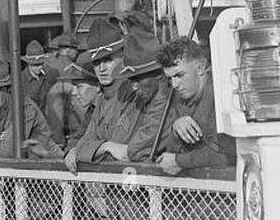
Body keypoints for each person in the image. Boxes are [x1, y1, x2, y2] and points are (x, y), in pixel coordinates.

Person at [143, 37, 234, 173]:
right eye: (170, 78)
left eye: (179, 75)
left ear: (200, 69)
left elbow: (228, 155)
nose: (174, 85)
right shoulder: (180, 98)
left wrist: (180, 161)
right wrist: (175, 129)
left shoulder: (222, 97)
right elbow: (172, 154)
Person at [62, 19, 139, 169]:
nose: (101, 68)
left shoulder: (132, 94)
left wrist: (98, 148)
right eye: (97, 63)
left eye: (108, 60)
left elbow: (121, 150)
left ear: (122, 58)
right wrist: (105, 146)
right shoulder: (103, 99)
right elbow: (85, 142)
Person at [0, 60, 63, 168]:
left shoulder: (23, 107)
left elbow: (10, 148)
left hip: (52, 169)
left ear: (7, 89)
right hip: (26, 171)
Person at [21, 40, 50, 107]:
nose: (39, 67)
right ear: (28, 63)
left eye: (41, 64)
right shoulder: (20, 80)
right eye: (35, 65)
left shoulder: (47, 77)